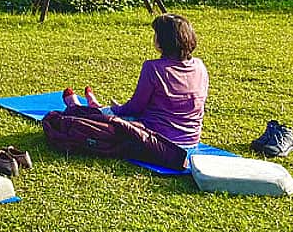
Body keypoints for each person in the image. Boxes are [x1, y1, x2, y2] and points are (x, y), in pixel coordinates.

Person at [65, 13, 208, 148]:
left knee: (100, 121)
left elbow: (136, 107)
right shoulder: (200, 65)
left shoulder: (152, 68)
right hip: (192, 139)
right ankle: (93, 106)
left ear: (162, 41)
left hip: (156, 138)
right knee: (110, 114)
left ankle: (76, 107)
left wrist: (117, 109)